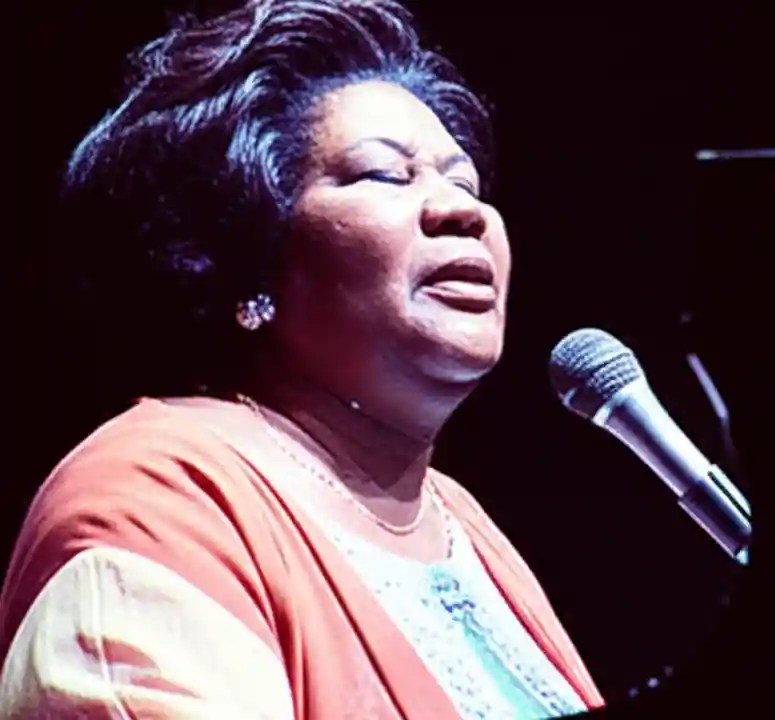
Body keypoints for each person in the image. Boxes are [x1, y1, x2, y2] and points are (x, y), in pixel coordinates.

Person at [0, 1, 604, 716]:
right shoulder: (158, 495)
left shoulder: (459, 523)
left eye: (465, 183)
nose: (460, 211)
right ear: (250, 256)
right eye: (384, 174)